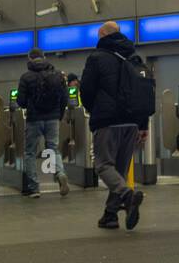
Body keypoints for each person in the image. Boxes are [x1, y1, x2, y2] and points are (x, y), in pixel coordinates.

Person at [80, 21, 152, 230]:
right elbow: (142, 92)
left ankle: (127, 195)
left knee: (103, 165)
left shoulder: (96, 58)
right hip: (131, 123)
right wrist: (142, 123)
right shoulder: (134, 58)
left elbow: (86, 90)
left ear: (102, 35)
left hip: (108, 120)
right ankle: (110, 215)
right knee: (118, 170)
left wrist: (95, 111)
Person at [17, 47, 71, 199]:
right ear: (44, 57)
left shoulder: (26, 77)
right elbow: (64, 98)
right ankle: (60, 173)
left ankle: (34, 188)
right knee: (53, 149)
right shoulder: (57, 75)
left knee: (30, 152)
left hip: (34, 119)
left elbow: (20, 101)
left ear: (30, 59)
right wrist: (58, 115)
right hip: (53, 118)